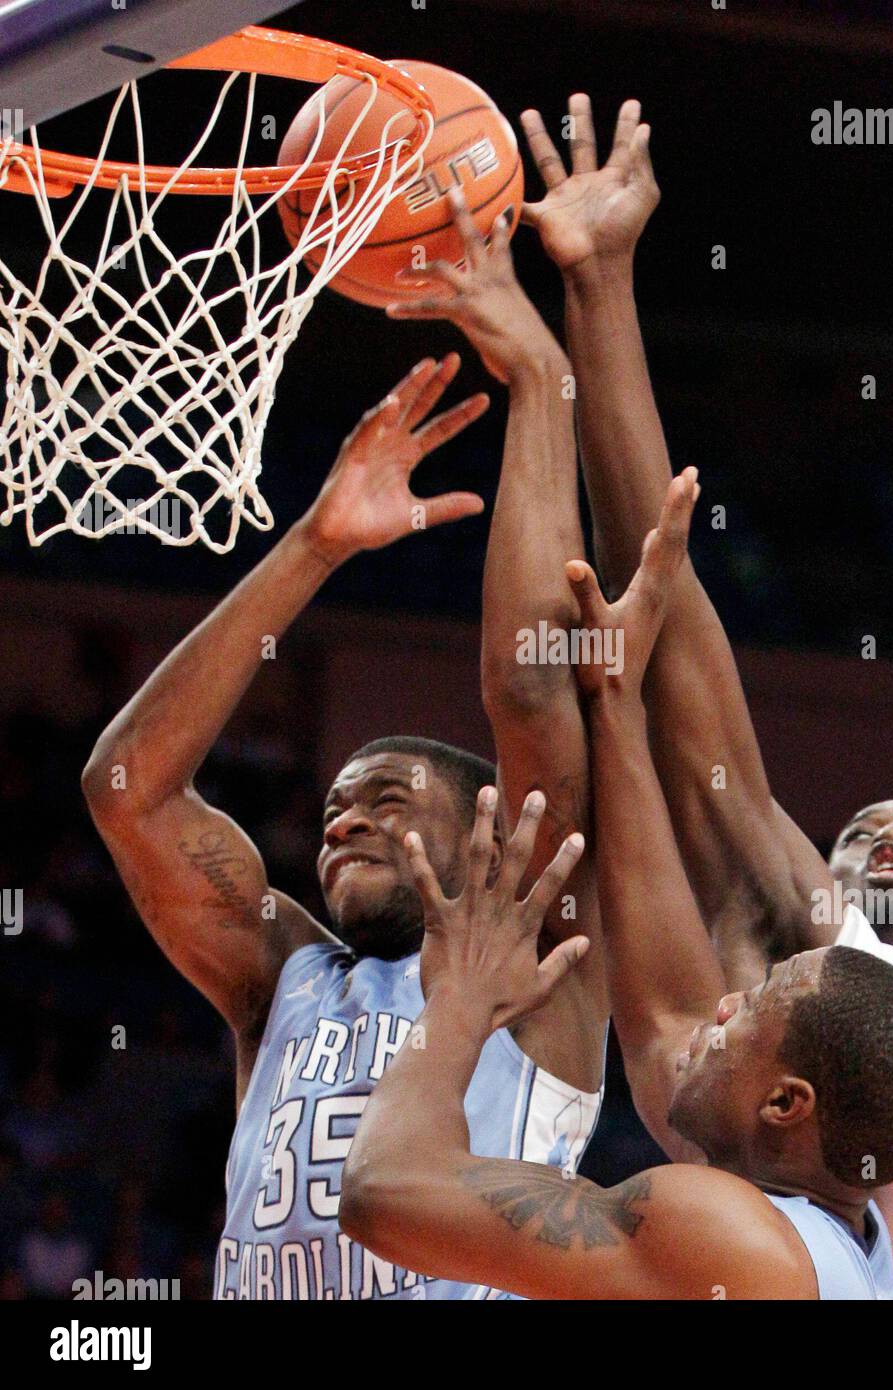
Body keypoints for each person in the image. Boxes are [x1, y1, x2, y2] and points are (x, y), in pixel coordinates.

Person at [516, 94, 893, 1299]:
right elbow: (670, 629)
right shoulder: (832, 960)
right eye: (861, 829)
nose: (887, 833)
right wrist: (604, 290)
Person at [339, 472, 893, 1300]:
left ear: (785, 1102)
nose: (721, 1004)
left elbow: (383, 1194)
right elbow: (667, 1016)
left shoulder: (730, 1241)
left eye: (751, 1009)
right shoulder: (854, 1244)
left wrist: (459, 998)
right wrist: (614, 701)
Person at [82, 345, 607, 1300]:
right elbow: (128, 791)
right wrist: (315, 545)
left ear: (486, 834)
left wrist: (538, 380)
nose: (344, 823)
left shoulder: (543, 965)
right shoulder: (286, 973)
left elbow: (532, 693)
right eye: (333, 810)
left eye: (388, 801)